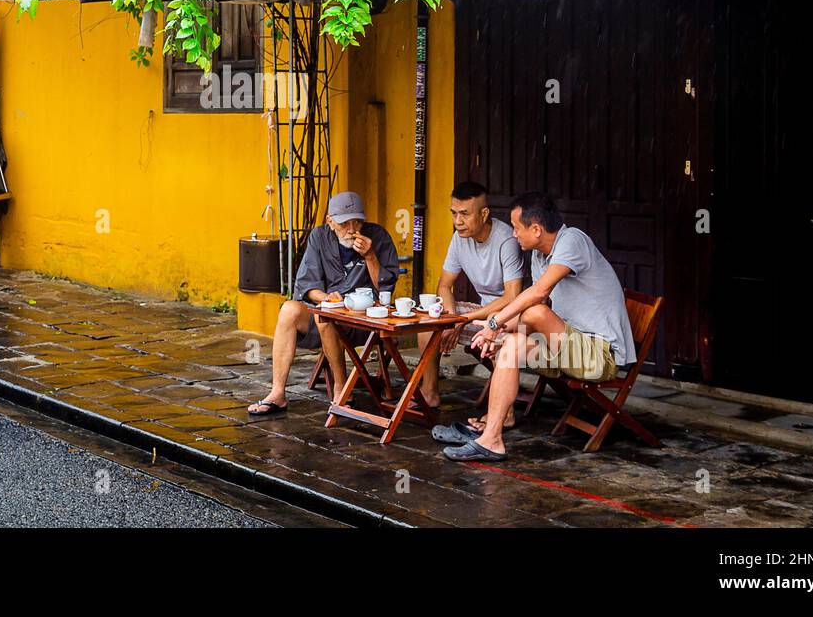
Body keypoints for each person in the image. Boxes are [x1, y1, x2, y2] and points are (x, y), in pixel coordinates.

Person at [438, 191, 636, 461]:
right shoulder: (541, 256)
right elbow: (536, 314)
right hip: (567, 349)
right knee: (510, 345)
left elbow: (538, 298)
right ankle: (492, 436)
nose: (513, 234)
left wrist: (495, 323)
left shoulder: (572, 241)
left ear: (536, 229)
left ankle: (490, 429)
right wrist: (497, 334)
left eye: (517, 228)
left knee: (535, 311)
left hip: (596, 356)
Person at [247, 191, 400, 416]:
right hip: (327, 314)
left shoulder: (378, 237)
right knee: (290, 309)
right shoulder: (319, 237)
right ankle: (277, 393)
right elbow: (308, 287)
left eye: (357, 221)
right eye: (344, 223)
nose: (352, 229)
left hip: (363, 322)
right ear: (330, 221)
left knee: (323, 317)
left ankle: (340, 388)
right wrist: (326, 298)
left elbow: (385, 288)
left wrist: (370, 257)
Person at [416, 180, 525, 408]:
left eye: (465, 214)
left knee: (498, 343)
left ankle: (505, 411)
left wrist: (464, 320)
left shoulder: (506, 240)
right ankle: (429, 392)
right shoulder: (459, 238)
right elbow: (444, 285)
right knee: (428, 322)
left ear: (484, 213)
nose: (458, 221)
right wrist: (453, 317)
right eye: (454, 213)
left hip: (513, 318)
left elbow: (512, 297)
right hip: (482, 314)